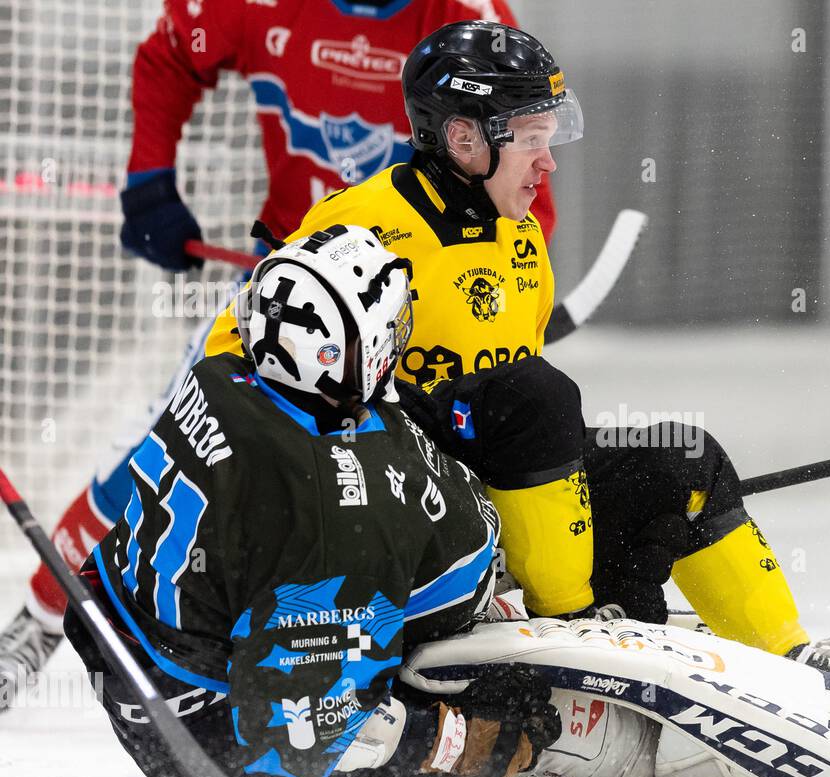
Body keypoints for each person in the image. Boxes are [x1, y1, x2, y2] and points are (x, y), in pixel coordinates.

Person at [199, 21, 830, 677]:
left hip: (489, 506)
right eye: (531, 139)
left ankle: (795, 662)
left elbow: (519, 428)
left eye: (551, 136)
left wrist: (611, 507)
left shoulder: (520, 236)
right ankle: (572, 635)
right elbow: (231, 372)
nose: (549, 161)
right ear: (463, 138)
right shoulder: (359, 228)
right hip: (395, 511)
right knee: (536, 395)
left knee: (680, 461)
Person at [0, 0, 555, 710]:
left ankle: (419, 640)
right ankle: (45, 619)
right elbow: (172, 54)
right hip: (280, 305)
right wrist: (149, 183)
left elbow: (524, 172)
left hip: (410, 314)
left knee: (398, 483)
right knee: (159, 450)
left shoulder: (463, 15)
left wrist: (504, 298)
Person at [62, 225, 558, 777]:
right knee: (413, 729)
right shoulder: (331, 518)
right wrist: (462, 743)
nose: (398, 339)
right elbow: (291, 747)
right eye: (388, 326)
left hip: (152, 663)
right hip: (213, 737)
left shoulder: (220, 377)